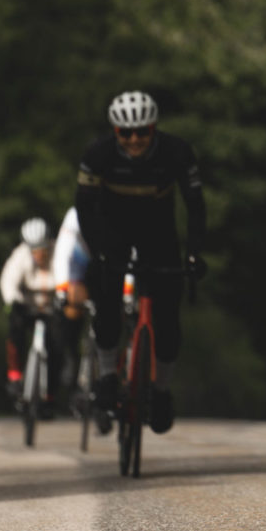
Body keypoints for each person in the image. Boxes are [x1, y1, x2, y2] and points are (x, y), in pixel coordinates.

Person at [76, 90, 207, 435]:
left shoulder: (177, 152)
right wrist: (96, 250)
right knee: (106, 302)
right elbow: (84, 208)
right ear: (115, 132)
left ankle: (161, 392)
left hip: (159, 234)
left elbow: (196, 206)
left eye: (142, 132)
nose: (134, 140)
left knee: (167, 321)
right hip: (111, 231)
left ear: (154, 129)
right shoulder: (97, 154)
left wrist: (194, 253)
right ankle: (106, 376)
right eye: (125, 133)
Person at [0, 217, 63, 414]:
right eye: (34, 249)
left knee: (57, 347)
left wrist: (64, 296)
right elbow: (8, 281)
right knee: (15, 328)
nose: (39, 254)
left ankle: (50, 394)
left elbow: (66, 277)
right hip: (27, 307)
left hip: (52, 308)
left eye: (42, 248)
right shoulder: (20, 256)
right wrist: (14, 300)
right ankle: (15, 375)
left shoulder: (59, 253)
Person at [52, 206, 91, 413]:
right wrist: (61, 290)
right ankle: (70, 350)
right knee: (73, 299)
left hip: (107, 259)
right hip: (79, 262)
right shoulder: (75, 214)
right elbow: (62, 254)